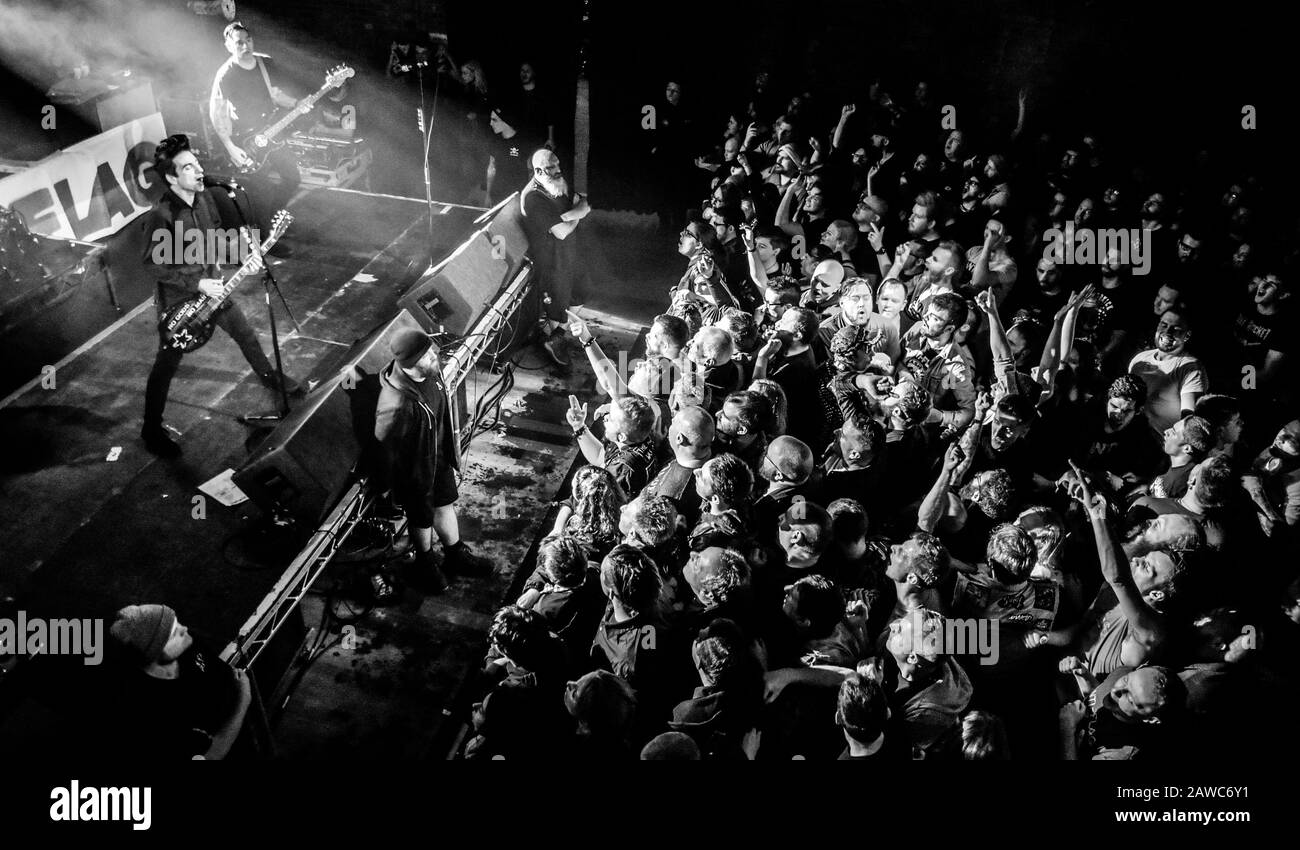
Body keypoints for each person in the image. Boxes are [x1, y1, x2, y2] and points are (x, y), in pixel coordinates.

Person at [140, 134, 301, 458]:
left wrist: (243, 254)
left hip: (216, 287)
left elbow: (214, 242)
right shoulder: (162, 215)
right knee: (167, 362)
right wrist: (195, 285)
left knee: (246, 334)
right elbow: (151, 265)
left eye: (198, 164)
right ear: (172, 177)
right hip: (180, 301)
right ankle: (151, 429)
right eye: (189, 167)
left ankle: (270, 377)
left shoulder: (205, 200)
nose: (199, 171)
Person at [374, 328, 492, 593]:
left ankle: (454, 553)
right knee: (421, 516)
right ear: (412, 363)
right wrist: (385, 485)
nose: (434, 356)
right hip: (415, 470)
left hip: (436, 457)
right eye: (428, 355)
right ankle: (425, 562)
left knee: (444, 501)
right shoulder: (395, 403)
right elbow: (385, 446)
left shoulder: (430, 374)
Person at [106, 604, 251, 760]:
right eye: (174, 633)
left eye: (177, 623)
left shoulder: (189, 644)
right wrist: (244, 697)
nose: (184, 629)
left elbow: (220, 669)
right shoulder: (153, 714)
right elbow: (212, 755)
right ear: (155, 652)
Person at [209, 21, 302, 236]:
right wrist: (230, 147)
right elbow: (218, 112)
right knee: (262, 191)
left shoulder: (265, 63)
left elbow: (276, 94)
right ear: (229, 46)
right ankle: (265, 239)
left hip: (272, 132)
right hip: (247, 139)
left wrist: (297, 105)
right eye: (239, 43)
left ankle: (275, 219)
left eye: (248, 40)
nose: (246, 46)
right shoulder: (226, 74)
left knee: (292, 178)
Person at [520, 148, 593, 365]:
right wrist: (576, 214)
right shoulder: (534, 197)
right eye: (552, 167)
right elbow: (561, 231)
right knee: (557, 306)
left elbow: (581, 201)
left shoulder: (554, 182)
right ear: (539, 170)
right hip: (552, 261)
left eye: (558, 164)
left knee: (583, 289)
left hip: (569, 252)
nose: (559, 170)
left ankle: (556, 336)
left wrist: (568, 216)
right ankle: (556, 342)